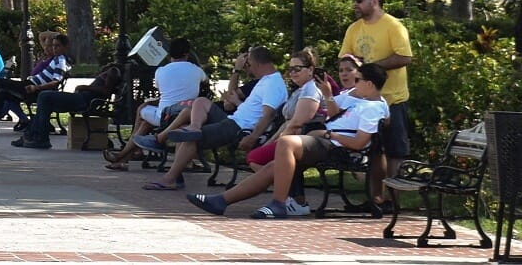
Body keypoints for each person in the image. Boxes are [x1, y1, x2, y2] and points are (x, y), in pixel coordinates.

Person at [190, 64, 389, 220]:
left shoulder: (373, 108)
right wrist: (328, 94)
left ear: (370, 84)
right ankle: (221, 201)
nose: (354, 82)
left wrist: (329, 135)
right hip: (326, 142)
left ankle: (278, 203)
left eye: (358, 79)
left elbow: (359, 143)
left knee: (287, 143)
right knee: (273, 167)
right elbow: (334, 114)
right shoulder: (358, 99)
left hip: (338, 147)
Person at [152, 45, 288, 189]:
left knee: (190, 138)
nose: (248, 69)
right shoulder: (265, 81)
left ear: (257, 64)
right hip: (234, 120)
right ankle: (195, 127)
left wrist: (253, 137)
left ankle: (170, 179)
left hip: (239, 128)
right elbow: (250, 110)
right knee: (201, 102)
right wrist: (237, 102)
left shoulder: (273, 84)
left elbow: (268, 115)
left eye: (248, 65)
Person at [341, 0, 414, 186]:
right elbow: (346, 58)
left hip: (392, 100)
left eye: (359, 0)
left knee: (394, 152)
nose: (355, 4)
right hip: (364, 102)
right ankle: (376, 199)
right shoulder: (354, 29)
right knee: (373, 151)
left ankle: (394, 199)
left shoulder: (393, 26)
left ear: (374, 1)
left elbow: (405, 57)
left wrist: (372, 67)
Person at [105, 35, 201, 168]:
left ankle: (125, 155)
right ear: (187, 53)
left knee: (142, 110)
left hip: (164, 117)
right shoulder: (197, 71)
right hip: (187, 116)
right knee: (145, 123)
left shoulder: (161, 71)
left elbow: (164, 94)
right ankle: (126, 155)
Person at [0, 32, 70, 135]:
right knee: (1, 93)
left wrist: (36, 87)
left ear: (65, 47)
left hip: (34, 89)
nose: (54, 48)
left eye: (58, 46)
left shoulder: (61, 61)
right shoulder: (56, 59)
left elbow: (56, 82)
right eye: (53, 45)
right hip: (30, 85)